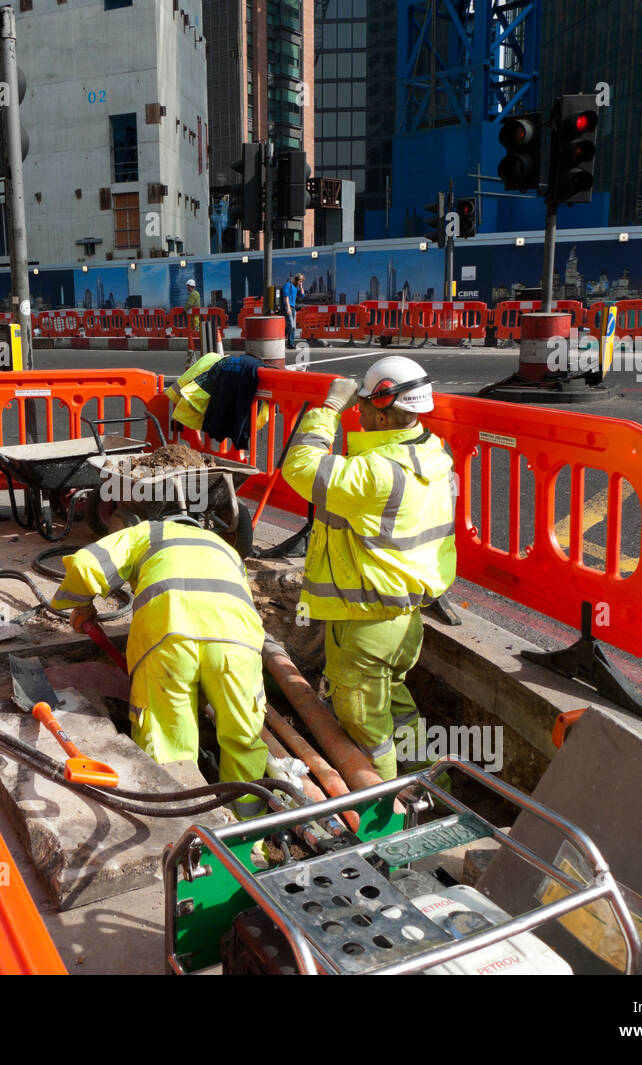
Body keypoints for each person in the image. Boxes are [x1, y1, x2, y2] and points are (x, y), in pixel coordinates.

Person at [281, 355, 456, 781]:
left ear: (382, 408)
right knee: (394, 707)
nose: (355, 411)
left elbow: (300, 467)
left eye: (361, 404)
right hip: (403, 618)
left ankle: (383, 817)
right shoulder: (434, 453)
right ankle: (438, 784)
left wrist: (327, 410)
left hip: (365, 624)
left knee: (365, 728)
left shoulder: (377, 474)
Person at [51, 519, 270, 818]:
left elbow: (86, 563)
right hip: (237, 641)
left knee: (168, 741)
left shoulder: (149, 532)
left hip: (168, 634)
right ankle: (249, 834)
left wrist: (81, 603)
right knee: (242, 736)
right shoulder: (225, 548)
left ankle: (181, 832)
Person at [281, 272, 305, 349]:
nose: (301, 282)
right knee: (291, 325)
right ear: (296, 279)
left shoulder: (296, 287)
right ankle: (279, 336)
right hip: (287, 307)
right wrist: (288, 308)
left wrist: (301, 286)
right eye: (300, 281)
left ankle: (291, 344)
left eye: (302, 281)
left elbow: (302, 295)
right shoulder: (288, 285)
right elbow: (286, 297)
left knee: (293, 327)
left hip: (293, 308)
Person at [185, 278, 201, 349]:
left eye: (187, 286)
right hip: (196, 312)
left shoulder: (193, 294)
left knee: (194, 324)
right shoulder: (197, 293)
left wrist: (185, 310)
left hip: (194, 313)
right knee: (196, 323)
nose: (187, 287)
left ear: (190, 286)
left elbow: (189, 304)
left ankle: (195, 334)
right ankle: (196, 333)